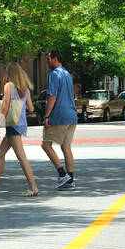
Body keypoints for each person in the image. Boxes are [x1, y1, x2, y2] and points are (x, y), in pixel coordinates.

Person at [0, 63, 38, 197]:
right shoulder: (25, 88)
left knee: (21, 157)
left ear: (9, 73)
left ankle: (33, 187)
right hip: (21, 123)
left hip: (13, 125)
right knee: (0, 152)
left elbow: (5, 107)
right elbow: (31, 108)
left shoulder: (8, 86)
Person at [41, 48, 78, 189]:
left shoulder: (54, 74)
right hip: (72, 115)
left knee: (46, 144)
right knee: (66, 146)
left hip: (59, 115)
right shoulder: (67, 74)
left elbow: (52, 96)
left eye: (48, 59)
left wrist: (47, 115)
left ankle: (63, 175)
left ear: (55, 58)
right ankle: (71, 180)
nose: (47, 62)